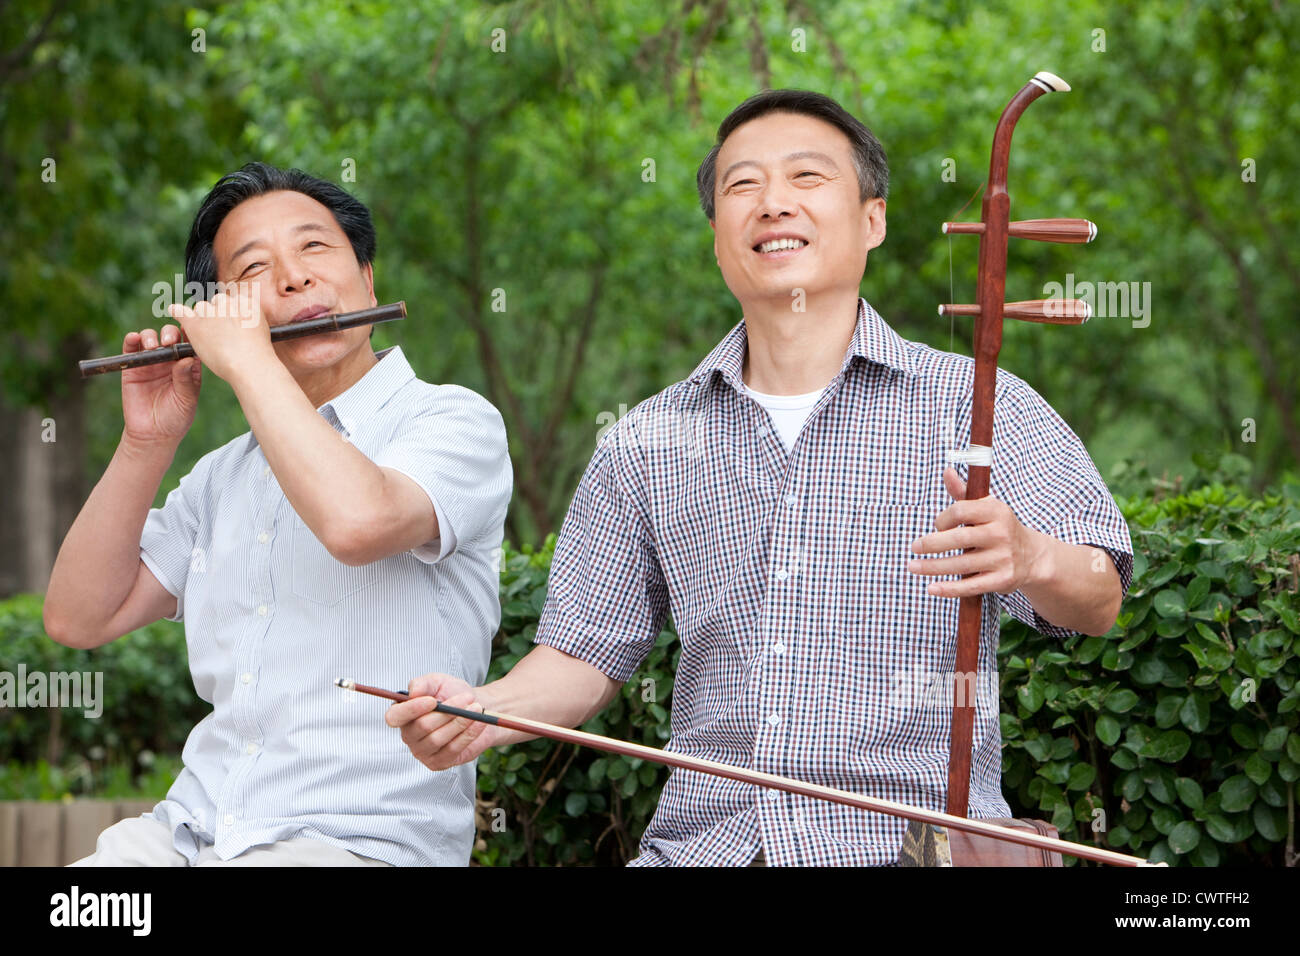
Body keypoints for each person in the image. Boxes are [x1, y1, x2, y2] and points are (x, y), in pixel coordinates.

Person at [385, 90, 1133, 866]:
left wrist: (1035, 557)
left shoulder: (979, 403)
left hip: (904, 850)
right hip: (703, 850)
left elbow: (1100, 595)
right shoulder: (645, 440)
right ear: (717, 238)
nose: (773, 204)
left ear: (872, 220)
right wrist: (483, 710)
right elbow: (583, 655)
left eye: (807, 177)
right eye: (743, 186)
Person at [43, 162, 512, 866]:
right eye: (255, 267)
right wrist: (148, 439)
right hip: (189, 833)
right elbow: (80, 618)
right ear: (220, 313)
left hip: (358, 845)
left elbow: (358, 523)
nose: (294, 279)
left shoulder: (451, 420)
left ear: (368, 280)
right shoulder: (220, 477)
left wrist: (251, 364)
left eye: (315, 249)